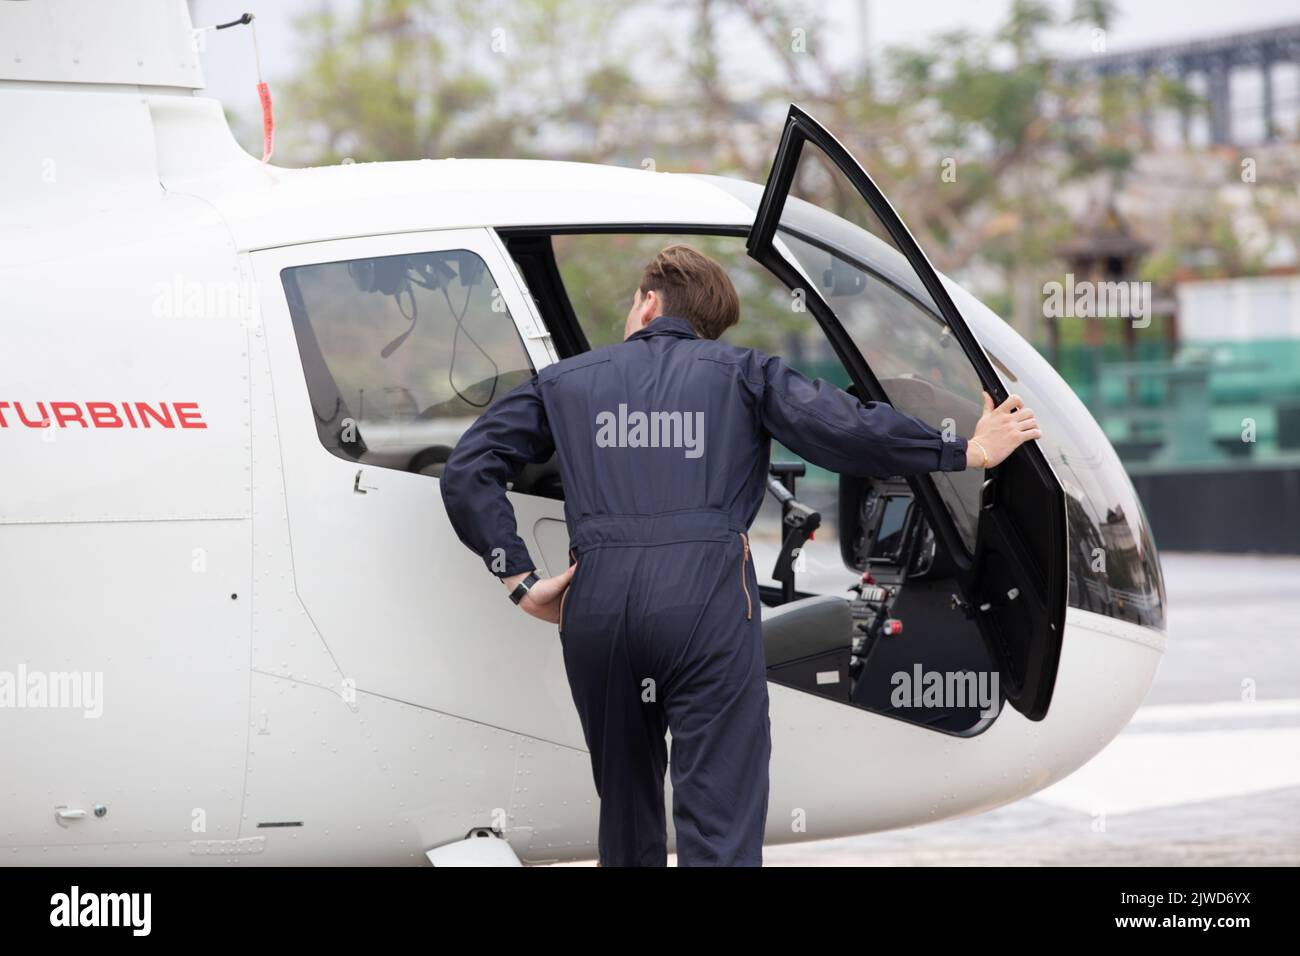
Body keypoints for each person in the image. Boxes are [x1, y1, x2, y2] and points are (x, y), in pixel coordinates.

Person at [439, 244, 1040, 866]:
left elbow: (468, 470)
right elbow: (848, 429)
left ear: (648, 301)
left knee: (624, 806)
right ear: (708, 324)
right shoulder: (745, 373)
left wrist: (518, 577)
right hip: (705, 604)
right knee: (718, 819)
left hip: (598, 607)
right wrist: (963, 450)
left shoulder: (565, 382)